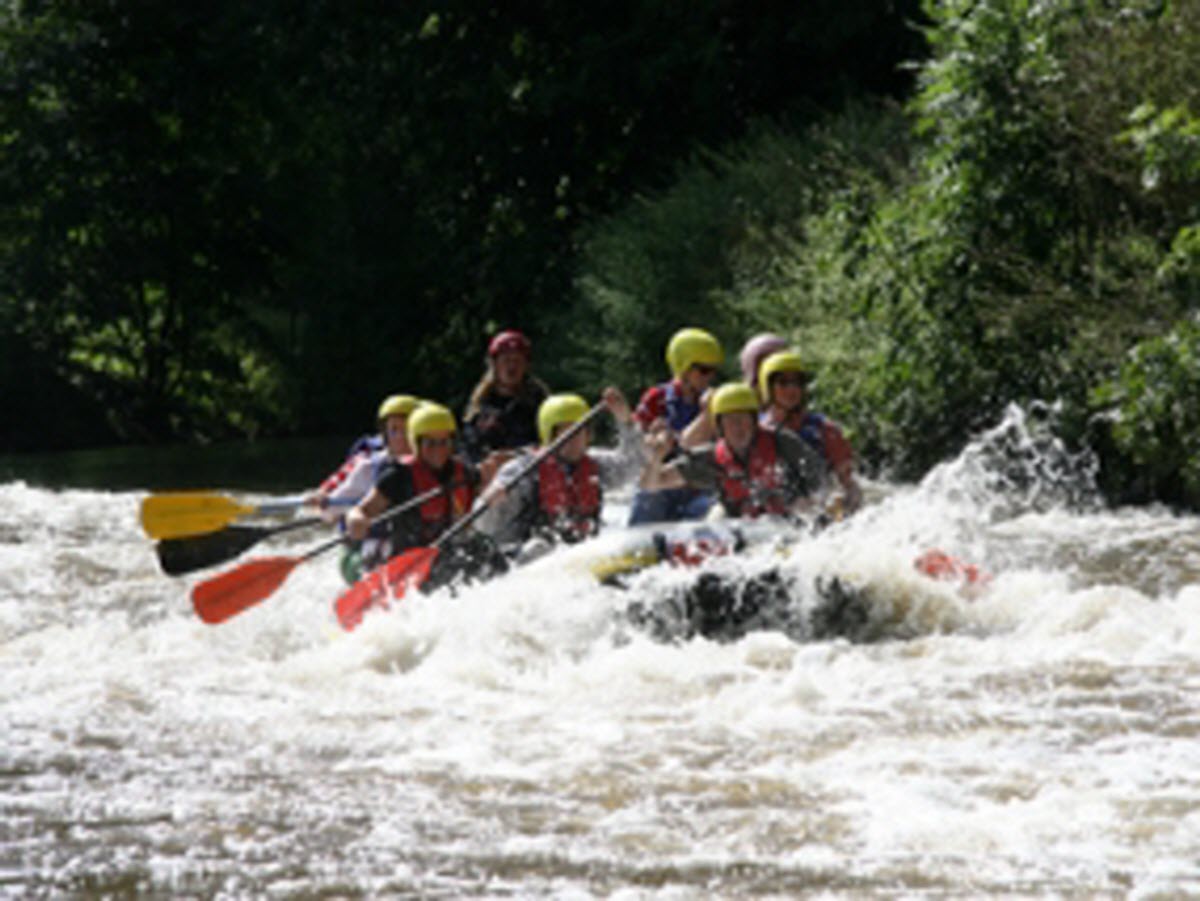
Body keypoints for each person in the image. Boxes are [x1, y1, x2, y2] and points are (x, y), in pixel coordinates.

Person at [475, 387, 644, 562]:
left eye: (580, 431)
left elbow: (635, 465)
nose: (575, 440)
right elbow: (484, 526)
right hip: (526, 559)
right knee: (538, 547)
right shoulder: (522, 471)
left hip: (578, 554)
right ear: (550, 436)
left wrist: (626, 422)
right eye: (566, 432)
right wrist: (489, 502)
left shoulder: (597, 465)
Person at [345, 402, 504, 586]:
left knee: (488, 550)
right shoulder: (397, 476)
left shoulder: (465, 472)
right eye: (430, 443)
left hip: (454, 551)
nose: (439, 450)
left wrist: (493, 487)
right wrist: (355, 520)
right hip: (411, 557)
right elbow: (362, 509)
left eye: (444, 442)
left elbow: (484, 494)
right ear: (416, 443)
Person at [641, 382, 826, 520]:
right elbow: (651, 484)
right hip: (739, 521)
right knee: (715, 520)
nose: (738, 427)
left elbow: (822, 479)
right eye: (730, 420)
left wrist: (815, 502)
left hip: (788, 514)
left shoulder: (782, 442)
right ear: (719, 426)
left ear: (754, 422)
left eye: (743, 419)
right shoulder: (711, 457)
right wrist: (656, 458)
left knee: (805, 507)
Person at [628, 327, 724, 524]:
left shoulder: (716, 402)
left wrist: (708, 416)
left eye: (713, 371)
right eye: (703, 370)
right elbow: (636, 446)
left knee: (718, 505)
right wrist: (651, 441)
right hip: (660, 485)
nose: (709, 377)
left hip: (698, 487)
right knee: (647, 496)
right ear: (683, 368)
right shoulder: (657, 399)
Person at [757, 350, 862, 513]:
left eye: (797, 382)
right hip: (775, 510)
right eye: (783, 382)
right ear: (768, 388)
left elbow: (849, 483)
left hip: (816, 506)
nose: (792, 389)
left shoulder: (824, 429)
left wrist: (848, 504)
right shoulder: (757, 431)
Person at [311, 394, 421, 513]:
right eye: (394, 430)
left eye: (407, 430)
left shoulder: (435, 462)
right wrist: (323, 501)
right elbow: (329, 512)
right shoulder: (367, 468)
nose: (401, 437)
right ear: (385, 433)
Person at [460, 329, 551, 463]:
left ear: (526, 365)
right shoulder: (480, 403)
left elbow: (550, 444)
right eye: (506, 360)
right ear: (495, 364)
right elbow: (468, 447)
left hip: (528, 472)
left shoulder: (538, 401)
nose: (512, 367)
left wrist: (515, 456)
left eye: (517, 361)